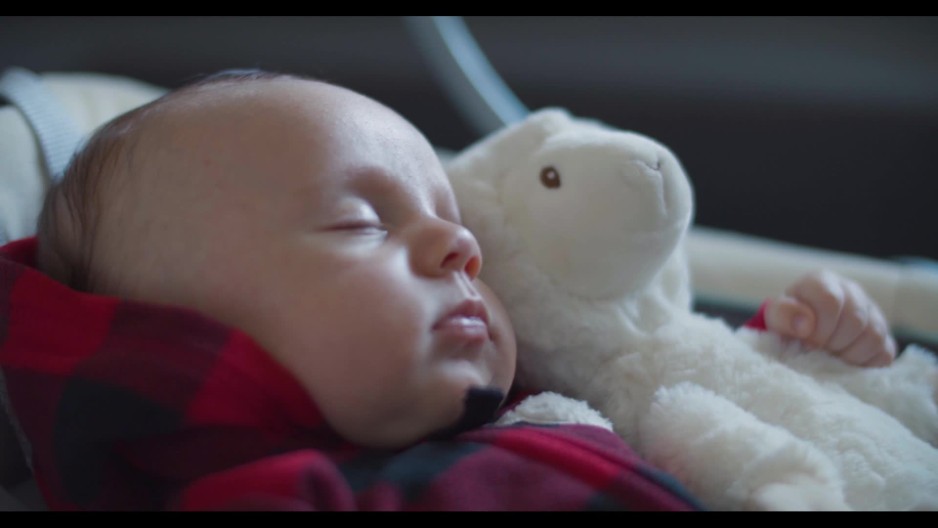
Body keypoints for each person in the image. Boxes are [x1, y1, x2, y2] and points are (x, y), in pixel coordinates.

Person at [0, 70, 895, 511]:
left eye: (448, 217)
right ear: (166, 335)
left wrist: (796, 354)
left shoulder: (551, 404)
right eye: (362, 224)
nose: (461, 244)